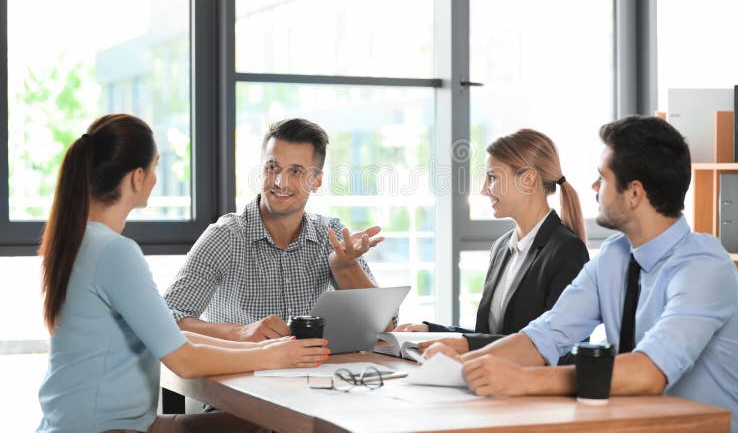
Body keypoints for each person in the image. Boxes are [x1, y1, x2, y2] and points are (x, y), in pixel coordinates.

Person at [424, 115, 738, 433]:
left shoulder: (704, 267)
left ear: (634, 193)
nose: (593, 186)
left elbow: (649, 373)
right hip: (636, 423)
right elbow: (543, 336)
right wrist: (461, 365)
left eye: (602, 177)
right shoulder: (613, 258)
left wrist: (523, 380)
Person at [37, 114, 329, 433]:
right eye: (155, 167)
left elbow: (171, 335)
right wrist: (271, 357)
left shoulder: (86, 241)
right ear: (137, 177)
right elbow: (184, 360)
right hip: (103, 428)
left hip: (120, 422)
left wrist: (265, 349)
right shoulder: (114, 252)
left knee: (261, 423)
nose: (155, 178)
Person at [164, 118, 386, 341]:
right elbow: (168, 318)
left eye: (296, 171)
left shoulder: (332, 235)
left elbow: (385, 324)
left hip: (315, 371)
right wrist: (240, 332)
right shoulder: (225, 237)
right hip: (239, 372)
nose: (280, 182)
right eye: (273, 167)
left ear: (316, 181)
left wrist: (345, 267)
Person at [395, 129, 589, 359]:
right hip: (491, 384)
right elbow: (491, 336)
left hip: (529, 389)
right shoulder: (501, 247)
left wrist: (462, 345)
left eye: (493, 177)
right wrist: (432, 332)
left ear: (528, 179)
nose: (484, 189)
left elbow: (556, 348)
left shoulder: (567, 251)